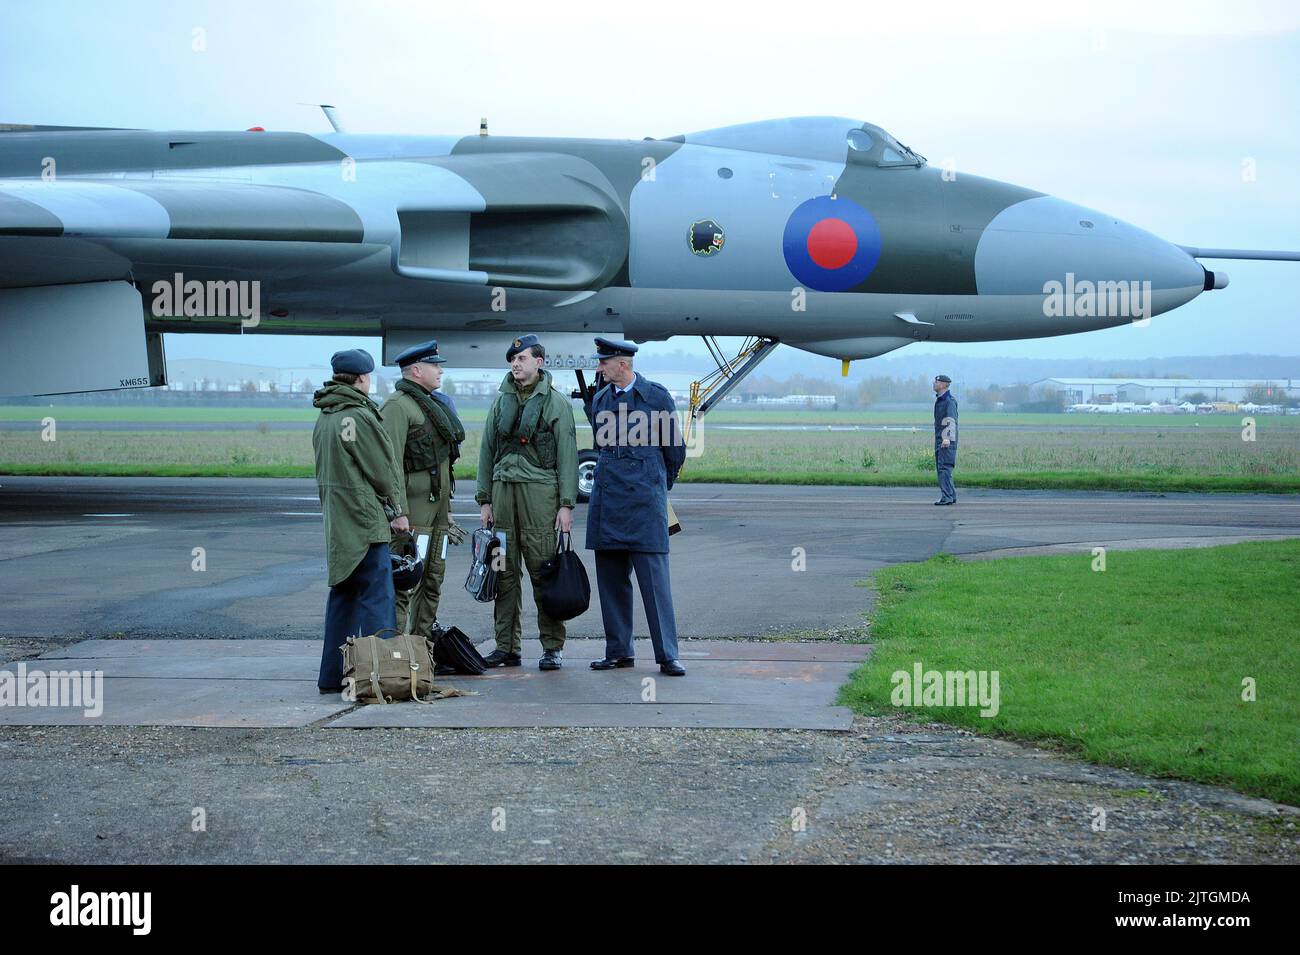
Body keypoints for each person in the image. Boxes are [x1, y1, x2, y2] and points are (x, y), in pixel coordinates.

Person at [582, 337, 688, 676]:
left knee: (655, 584)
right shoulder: (599, 399)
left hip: (644, 501)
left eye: (604, 362)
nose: (599, 368)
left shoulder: (656, 397)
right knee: (611, 580)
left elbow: (675, 451)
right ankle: (618, 651)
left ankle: (667, 655)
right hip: (608, 499)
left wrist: (656, 483)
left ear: (622, 364)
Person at [475, 335, 579, 670]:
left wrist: (566, 505)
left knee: (543, 571)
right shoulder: (500, 402)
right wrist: (484, 500)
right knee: (502, 573)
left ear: (539, 361)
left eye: (522, 358)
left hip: (540, 497)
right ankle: (507, 646)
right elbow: (486, 451)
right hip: (503, 496)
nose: (516, 364)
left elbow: (567, 455)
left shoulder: (556, 404)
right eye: (512, 359)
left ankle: (552, 647)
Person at [311, 348, 409, 692]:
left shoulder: (325, 416)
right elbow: (381, 471)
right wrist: (397, 511)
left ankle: (331, 677)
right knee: (378, 602)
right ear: (363, 378)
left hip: (339, 528)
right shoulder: (356, 416)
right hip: (365, 525)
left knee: (342, 602)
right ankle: (384, 679)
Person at [380, 339, 466, 638]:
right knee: (405, 580)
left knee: (432, 579)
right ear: (416, 370)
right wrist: (398, 512)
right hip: (413, 512)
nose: (439, 371)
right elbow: (388, 464)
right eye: (434, 365)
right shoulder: (397, 407)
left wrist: (449, 511)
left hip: (438, 511)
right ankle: (392, 652)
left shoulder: (433, 405)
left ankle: (421, 646)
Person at [933, 374, 958, 505]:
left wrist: (947, 438)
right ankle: (951, 495)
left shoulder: (949, 401)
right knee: (944, 468)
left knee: (944, 468)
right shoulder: (941, 400)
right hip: (940, 440)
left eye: (936, 382)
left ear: (943, 384)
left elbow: (951, 420)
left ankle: (946, 497)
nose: (934, 383)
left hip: (945, 441)